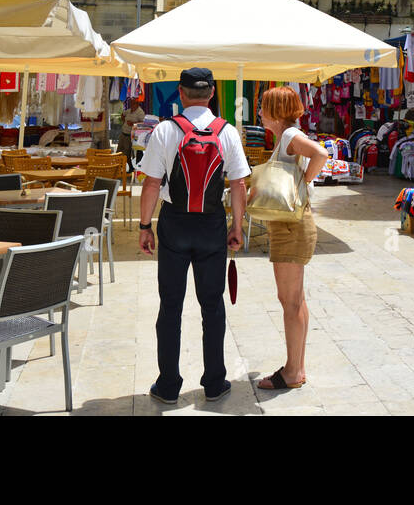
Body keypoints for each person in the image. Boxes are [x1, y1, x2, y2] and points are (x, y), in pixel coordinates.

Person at [136, 68, 249, 405]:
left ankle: (168, 385)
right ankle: (214, 382)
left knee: (170, 305)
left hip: (174, 224)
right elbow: (239, 184)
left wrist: (145, 226)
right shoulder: (227, 132)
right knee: (212, 306)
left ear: (181, 94)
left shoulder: (165, 130)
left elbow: (152, 183)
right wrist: (237, 227)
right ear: (211, 93)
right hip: (212, 223)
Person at [254, 86, 328, 392]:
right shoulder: (286, 138)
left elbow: (321, 154)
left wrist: (303, 182)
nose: (259, 111)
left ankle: (292, 370)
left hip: (290, 227)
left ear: (275, 111)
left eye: (263, 107)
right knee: (294, 299)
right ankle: (296, 366)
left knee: (290, 301)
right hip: (290, 226)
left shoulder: (289, 136)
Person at [118, 97, 146, 170]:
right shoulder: (129, 110)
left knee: (127, 154)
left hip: (130, 135)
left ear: (137, 104)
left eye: (133, 103)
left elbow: (143, 123)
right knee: (119, 151)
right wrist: (123, 120)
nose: (131, 105)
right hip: (123, 133)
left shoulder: (140, 112)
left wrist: (133, 123)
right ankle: (120, 168)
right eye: (130, 103)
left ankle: (128, 169)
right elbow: (123, 114)